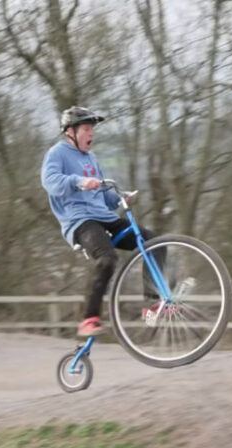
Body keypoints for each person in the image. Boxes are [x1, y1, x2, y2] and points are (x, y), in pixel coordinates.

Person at [41, 106, 160, 337]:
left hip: (105, 217)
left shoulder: (91, 158)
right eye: (86, 129)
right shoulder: (57, 153)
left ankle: (152, 304)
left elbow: (104, 197)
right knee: (107, 259)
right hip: (80, 221)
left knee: (154, 242)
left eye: (92, 129)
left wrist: (121, 197)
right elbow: (50, 182)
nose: (91, 134)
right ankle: (89, 319)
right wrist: (79, 181)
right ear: (71, 132)